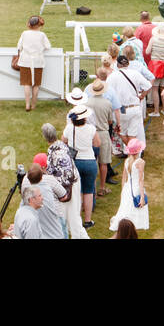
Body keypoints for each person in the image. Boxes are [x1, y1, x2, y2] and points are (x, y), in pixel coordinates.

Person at [63, 98, 101, 229]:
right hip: (89, 161)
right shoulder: (91, 129)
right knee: (89, 191)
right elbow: (97, 144)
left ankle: (77, 219)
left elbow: (63, 141)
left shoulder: (69, 128)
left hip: (75, 161)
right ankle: (88, 220)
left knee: (77, 191)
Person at [109, 139, 149, 232]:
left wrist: (123, 191)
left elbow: (124, 178)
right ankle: (132, 228)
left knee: (126, 209)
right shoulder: (140, 162)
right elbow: (140, 181)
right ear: (139, 150)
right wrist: (142, 196)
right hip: (136, 189)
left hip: (127, 188)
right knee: (135, 211)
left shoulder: (127, 161)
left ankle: (124, 228)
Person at [85, 78, 116, 192]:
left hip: (90, 133)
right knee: (103, 162)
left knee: (91, 161)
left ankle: (92, 187)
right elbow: (110, 121)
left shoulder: (87, 103)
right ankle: (102, 187)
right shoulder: (107, 103)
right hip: (103, 133)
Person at [16, 16, 51, 111]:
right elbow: (48, 46)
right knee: (36, 85)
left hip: (25, 61)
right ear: (39, 25)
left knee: (26, 84)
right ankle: (33, 105)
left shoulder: (25, 33)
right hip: (37, 61)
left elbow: (19, 46)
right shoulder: (42, 35)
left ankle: (27, 105)